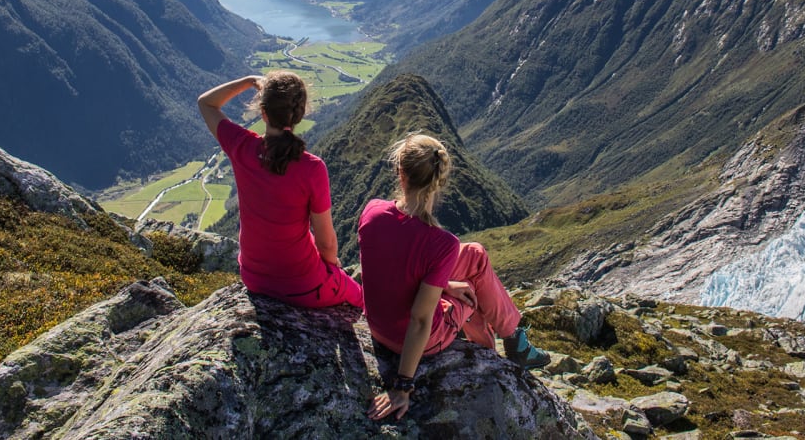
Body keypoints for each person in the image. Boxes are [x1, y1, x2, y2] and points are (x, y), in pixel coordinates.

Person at [359, 133, 550, 421]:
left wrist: (443, 285)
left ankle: (511, 338)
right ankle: (495, 354)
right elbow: (421, 320)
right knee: (473, 288)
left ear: (400, 173)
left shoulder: (372, 211)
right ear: (439, 182)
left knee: (474, 253)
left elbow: (389, 263)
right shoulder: (441, 243)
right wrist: (402, 386)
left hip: (377, 325)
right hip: (415, 340)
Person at [197, 71, 362, 309]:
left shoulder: (241, 146)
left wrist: (248, 81)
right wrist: (332, 270)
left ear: (263, 113)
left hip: (254, 278)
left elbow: (206, 102)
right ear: (300, 114)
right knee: (362, 300)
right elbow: (326, 245)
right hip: (304, 286)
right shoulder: (312, 168)